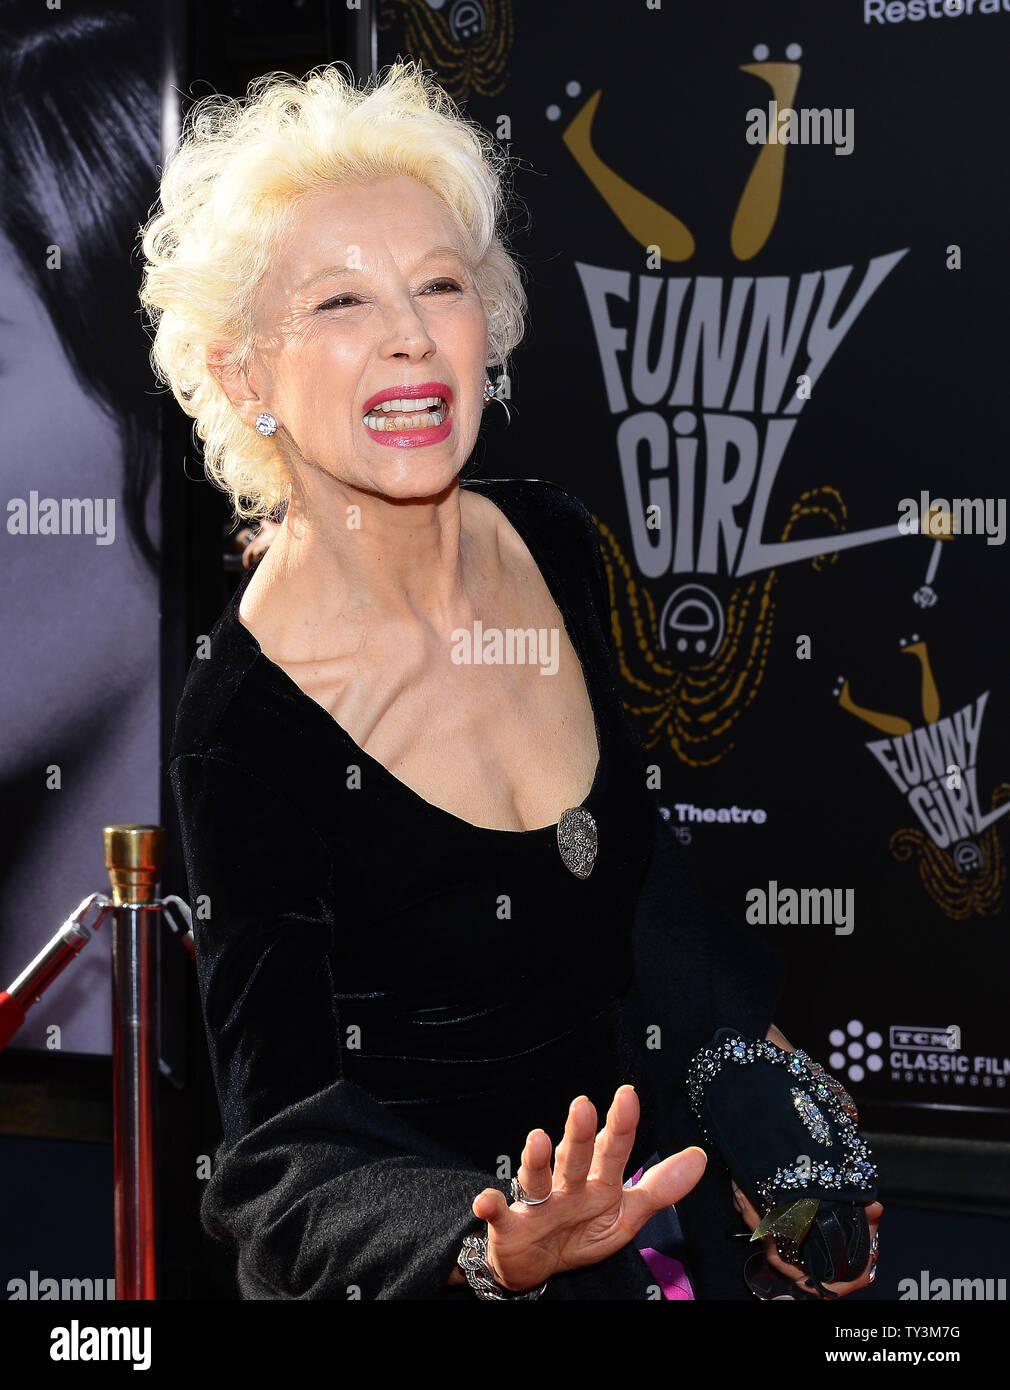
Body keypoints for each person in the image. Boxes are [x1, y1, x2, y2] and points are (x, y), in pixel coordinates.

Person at [141, 59, 882, 1300]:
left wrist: (767, 1094)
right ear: (240, 376)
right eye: (338, 302)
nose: (411, 335)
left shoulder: (553, 539)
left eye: (440, 284)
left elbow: (645, 900)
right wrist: (491, 1245)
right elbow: (279, 1156)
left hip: (656, 1237)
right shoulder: (244, 726)